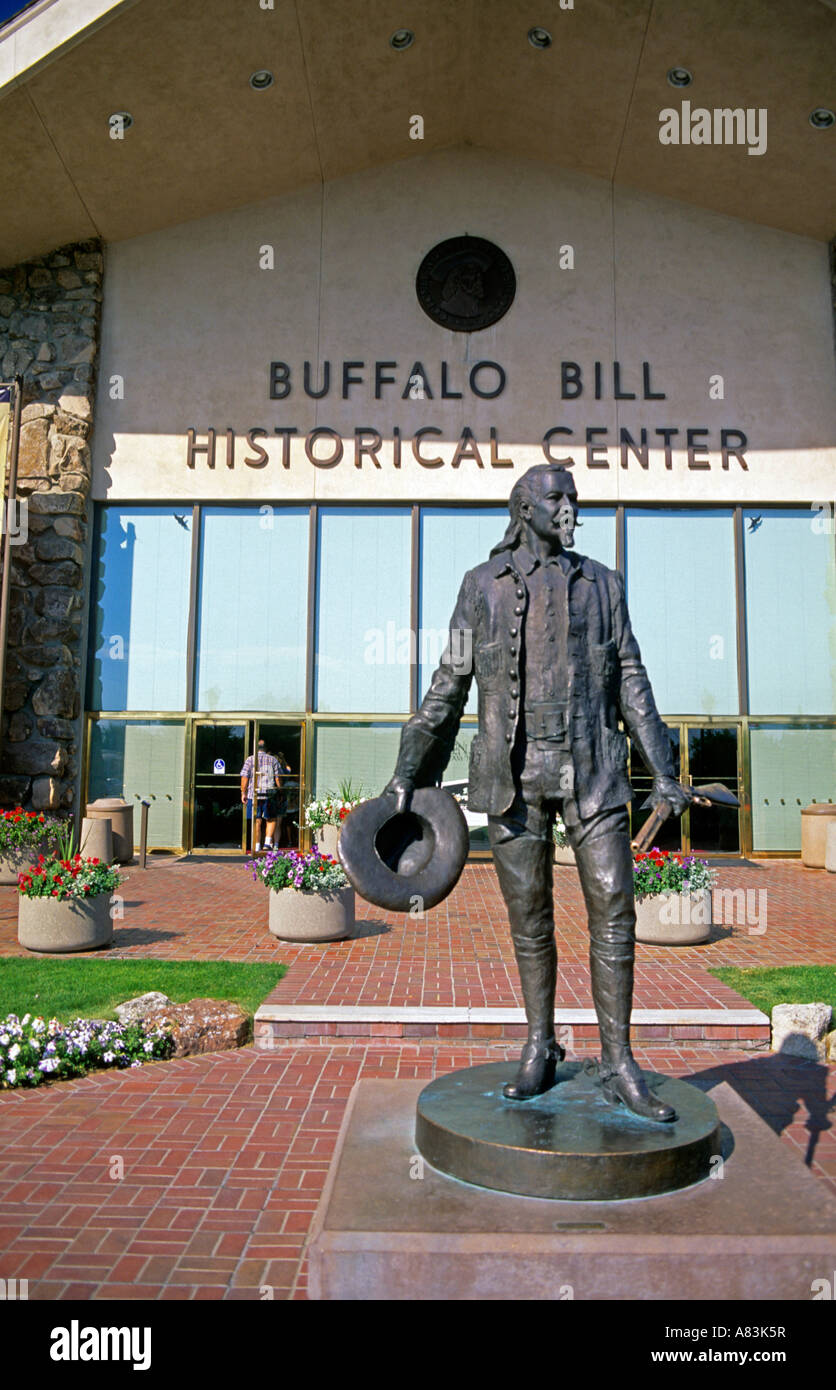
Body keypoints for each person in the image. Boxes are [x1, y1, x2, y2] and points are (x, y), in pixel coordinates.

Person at [384, 462, 690, 1121]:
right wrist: (409, 767)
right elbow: (450, 683)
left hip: (595, 771)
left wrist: (662, 766)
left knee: (614, 906)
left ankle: (618, 1060)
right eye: (557, 497)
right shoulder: (479, 586)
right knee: (531, 920)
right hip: (512, 778)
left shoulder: (603, 585)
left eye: (574, 497)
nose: (570, 506)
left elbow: (631, 676)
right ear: (524, 509)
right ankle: (539, 1045)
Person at [240, 738, 282, 852]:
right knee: (271, 819)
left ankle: (257, 846)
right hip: (270, 794)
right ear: (266, 748)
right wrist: (280, 791)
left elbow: (245, 777)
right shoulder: (273, 760)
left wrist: (243, 793)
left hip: (254, 795)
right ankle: (267, 843)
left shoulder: (250, 760)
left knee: (256, 820)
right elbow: (278, 778)